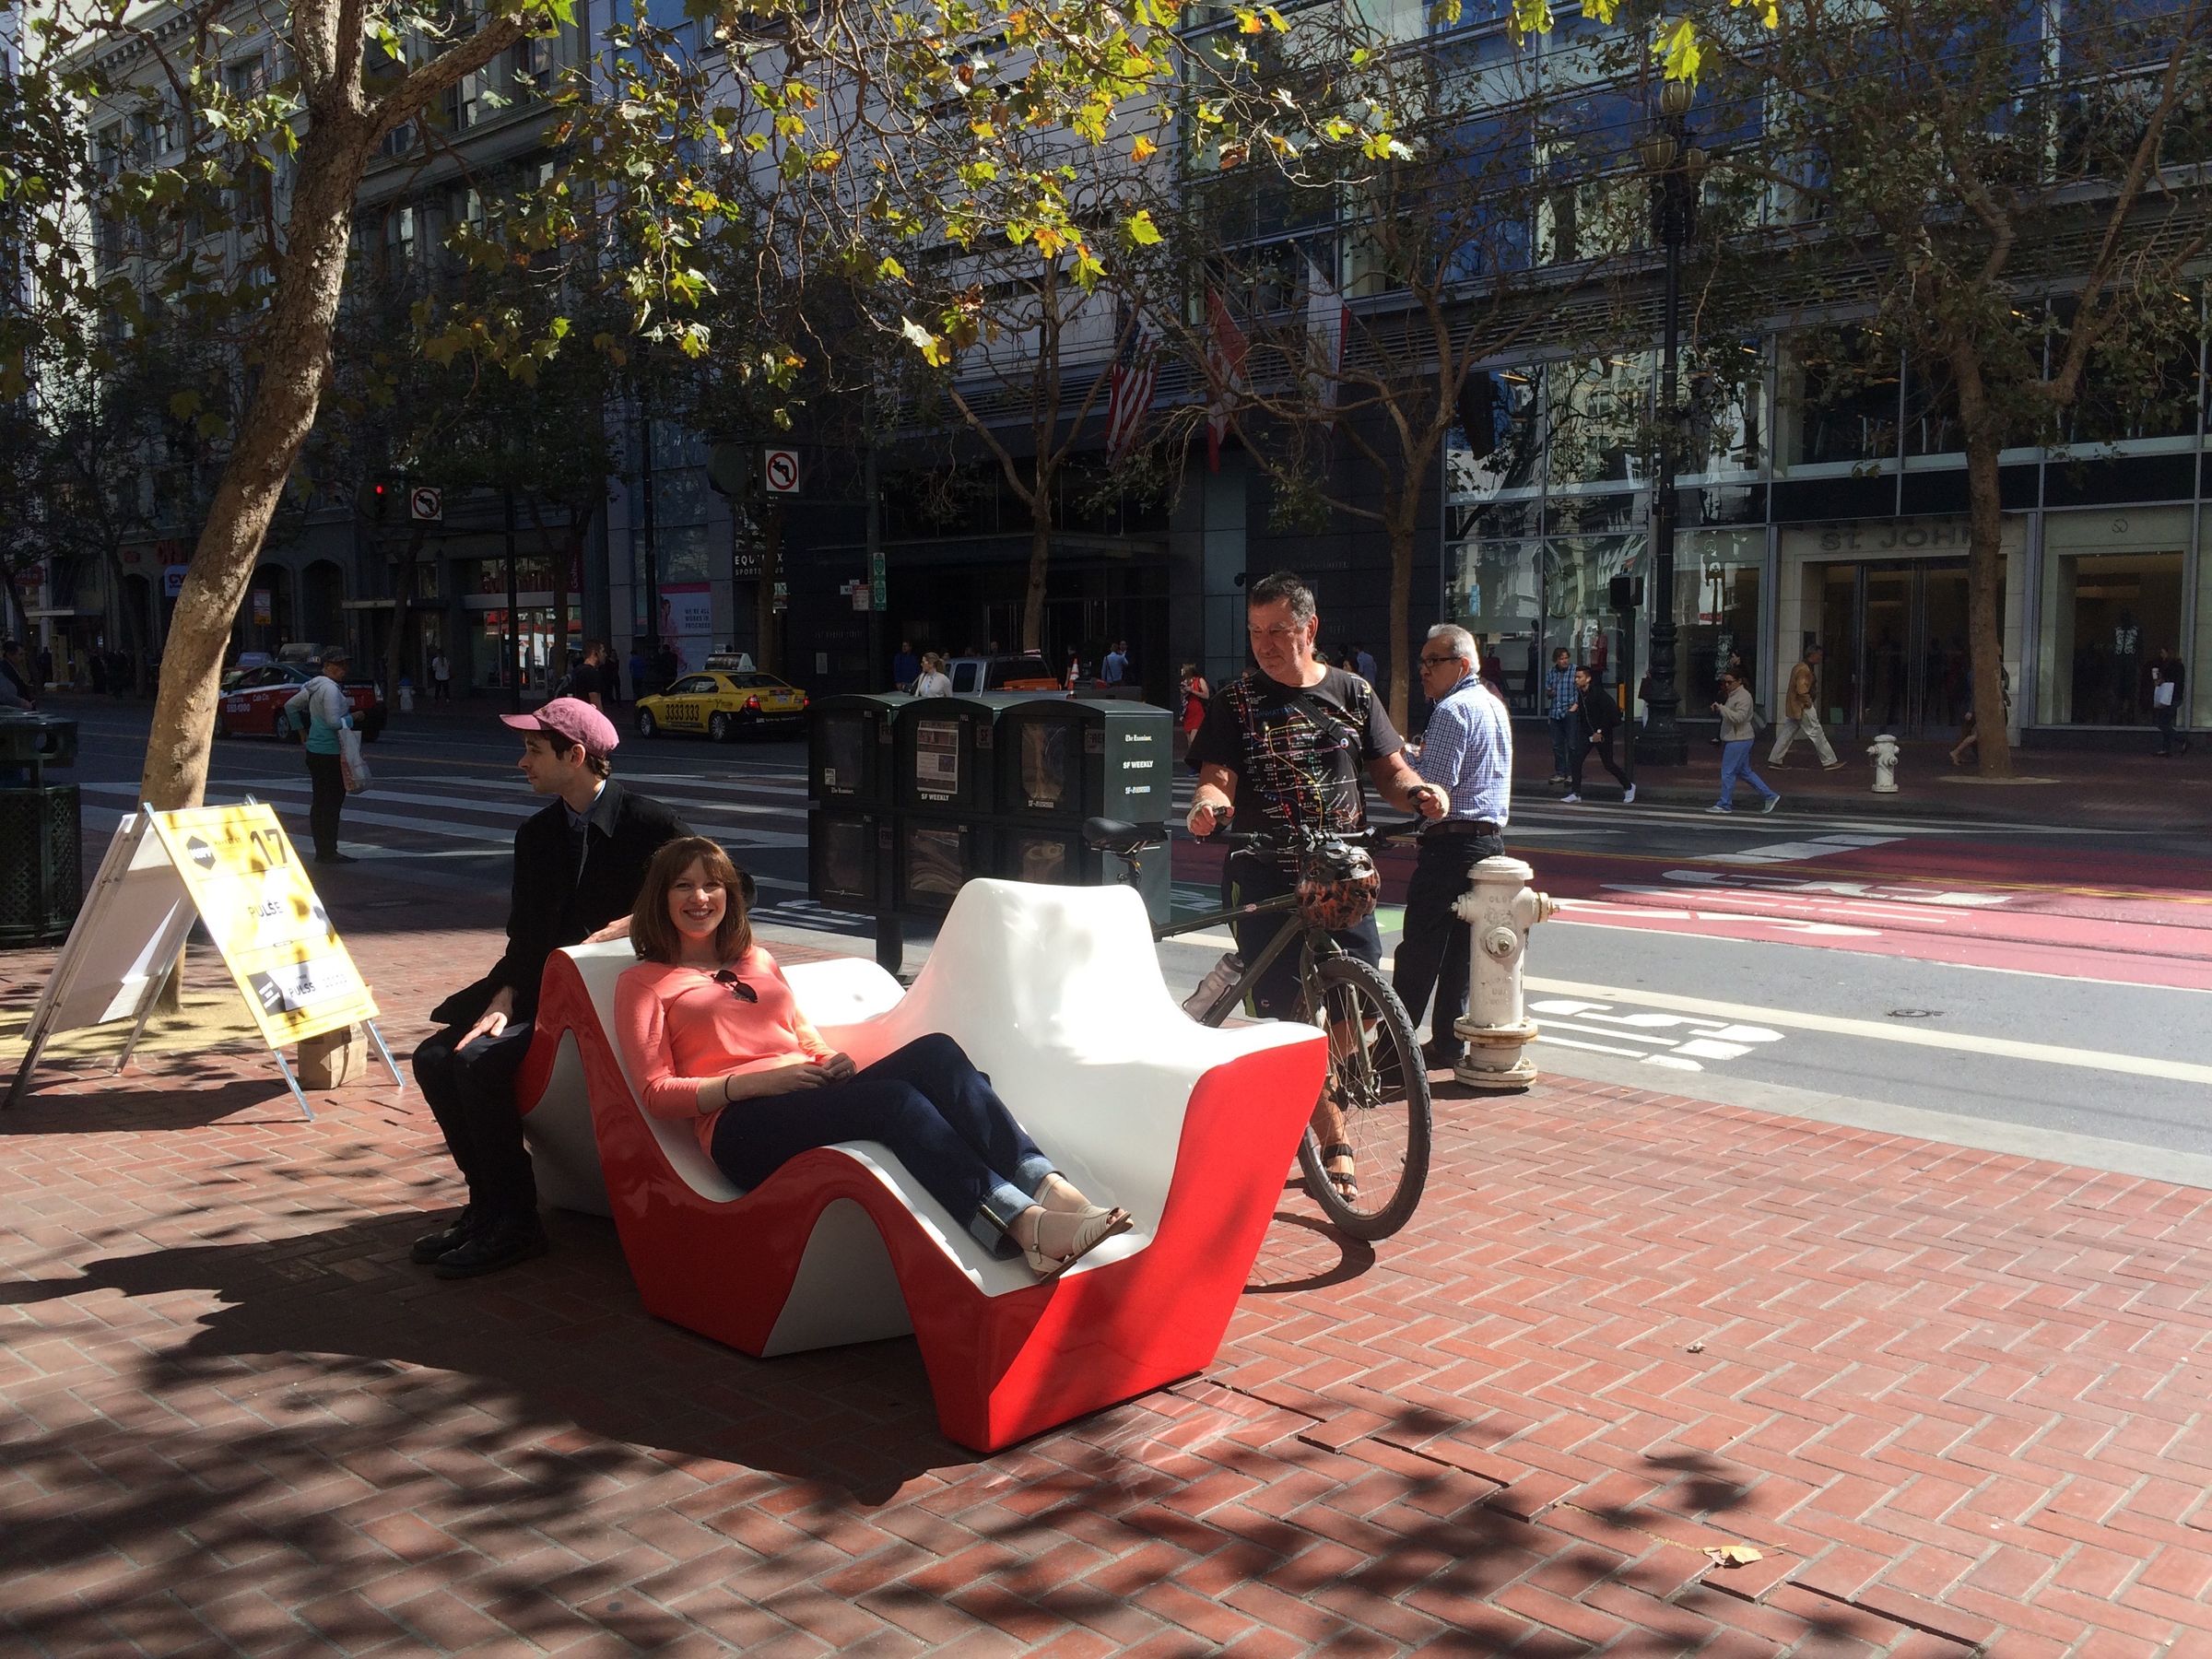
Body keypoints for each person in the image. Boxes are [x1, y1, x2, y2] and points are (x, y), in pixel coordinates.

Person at [616, 838, 1132, 1276]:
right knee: (895, 1103)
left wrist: (830, 1059)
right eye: (683, 886)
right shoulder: (643, 984)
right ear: (661, 898)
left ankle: (1052, 1189)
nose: (700, 897)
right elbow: (657, 1093)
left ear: (729, 894)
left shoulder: (756, 959)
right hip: (741, 1129)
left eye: (712, 885)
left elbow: (801, 1034)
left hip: (808, 1095)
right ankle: (1025, 1227)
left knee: (937, 1052)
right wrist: (752, 1084)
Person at [410, 699, 692, 1277]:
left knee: (479, 1064)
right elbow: (524, 936)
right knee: (435, 1057)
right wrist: (505, 994)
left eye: (534, 750)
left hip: (610, 998)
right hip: (538, 988)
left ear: (576, 755)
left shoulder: (652, 825)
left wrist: (638, 921)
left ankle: (516, 1223)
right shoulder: (536, 834)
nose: (523, 763)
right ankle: (487, 1207)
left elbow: (731, 888)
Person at [1186, 571, 1444, 1203]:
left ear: (1310, 628)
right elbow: (1218, 777)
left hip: (1341, 875)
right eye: (1255, 631)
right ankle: (1335, 1141)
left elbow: (1390, 770)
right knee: (1290, 1018)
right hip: (1263, 870)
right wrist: (1209, 804)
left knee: (1360, 999)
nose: (1265, 644)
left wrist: (1418, 792)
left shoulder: (1352, 692)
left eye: (1278, 630)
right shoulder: (1235, 701)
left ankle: (1317, 1088)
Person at [1393, 626, 1510, 1071]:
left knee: (1419, 950)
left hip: (1450, 844)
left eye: (1434, 661)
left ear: (1461, 665)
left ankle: (1394, 1052)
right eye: (1422, 662)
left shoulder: (1452, 709)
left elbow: (1434, 784)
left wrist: (1397, 755)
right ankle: (1447, 1042)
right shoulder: (1492, 704)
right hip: (1489, 843)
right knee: (1461, 953)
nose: (1424, 670)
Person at [284, 646, 356, 865]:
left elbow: (290, 706)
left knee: (320, 801)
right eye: (338, 665)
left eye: (345, 665)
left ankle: (323, 849)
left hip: (315, 750)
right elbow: (334, 722)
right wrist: (354, 718)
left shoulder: (314, 686)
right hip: (330, 751)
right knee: (332, 802)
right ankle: (328, 850)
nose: (343, 669)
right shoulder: (331, 690)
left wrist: (301, 732)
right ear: (327, 666)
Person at [1710, 671, 1780, 814]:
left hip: (1738, 738)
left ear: (1739, 681)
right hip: (1739, 738)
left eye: (1730, 682)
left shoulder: (1743, 696)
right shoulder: (1734, 695)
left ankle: (1725, 804)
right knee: (1744, 771)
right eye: (1725, 682)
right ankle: (1770, 795)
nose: (1727, 685)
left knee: (1728, 771)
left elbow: (1739, 718)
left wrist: (1722, 709)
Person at [1561, 665, 1632, 805]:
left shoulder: (1598, 693)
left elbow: (1609, 713)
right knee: (1576, 759)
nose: (1576, 680)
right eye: (1575, 677)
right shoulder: (1581, 693)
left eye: (1579, 677)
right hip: (1587, 733)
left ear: (1588, 679)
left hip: (1602, 733)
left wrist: (1600, 731)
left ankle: (1628, 786)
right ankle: (1576, 793)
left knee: (1608, 763)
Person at [1769, 644, 1842, 771]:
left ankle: (1775, 759)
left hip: (1796, 706)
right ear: (1812, 655)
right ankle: (1829, 761)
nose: (1820, 658)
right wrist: (1808, 702)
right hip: (1802, 706)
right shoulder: (1804, 669)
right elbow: (1801, 689)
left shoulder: (1799, 667)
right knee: (1816, 732)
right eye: (1819, 655)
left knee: (1787, 733)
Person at [1543, 646, 1576, 784]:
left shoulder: (1574, 670)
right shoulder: (1552, 672)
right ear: (1556, 660)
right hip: (1555, 711)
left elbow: (1579, 690)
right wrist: (1550, 691)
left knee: (1572, 744)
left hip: (1569, 710)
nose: (1564, 661)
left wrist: (1575, 706)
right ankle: (1560, 772)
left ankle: (1572, 773)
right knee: (1557, 744)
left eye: (1566, 658)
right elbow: (1548, 691)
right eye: (1561, 659)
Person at [2151, 647, 2190, 757]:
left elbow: (2174, 681)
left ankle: (2181, 740)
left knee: (2162, 723)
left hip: (2172, 697)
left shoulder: (2174, 666)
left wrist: (2161, 680)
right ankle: (2166, 748)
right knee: (2166, 722)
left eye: (2163, 653)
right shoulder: (2174, 665)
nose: (2161, 655)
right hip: (2174, 697)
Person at [1177, 662, 1209, 758]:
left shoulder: (1200, 680)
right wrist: (1183, 692)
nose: (1182, 671)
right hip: (1188, 713)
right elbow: (1182, 700)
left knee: (1193, 739)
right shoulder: (1184, 682)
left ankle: (1198, 759)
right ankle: (1193, 760)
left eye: (1183, 669)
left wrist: (1192, 690)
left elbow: (1206, 695)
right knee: (1189, 742)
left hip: (1197, 711)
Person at [1, 641, 36, 708]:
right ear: (9, 655)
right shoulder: (4, 670)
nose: (23, 658)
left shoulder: (15, 667)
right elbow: (4, 694)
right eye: (20, 655)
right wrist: (22, 702)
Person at [568, 642, 604, 710]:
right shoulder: (592, 673)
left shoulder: (577, 670)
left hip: (576, 710)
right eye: (602, 651)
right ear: (595, 653)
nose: (605, 654)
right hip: (587, 713)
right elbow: (595, 703)